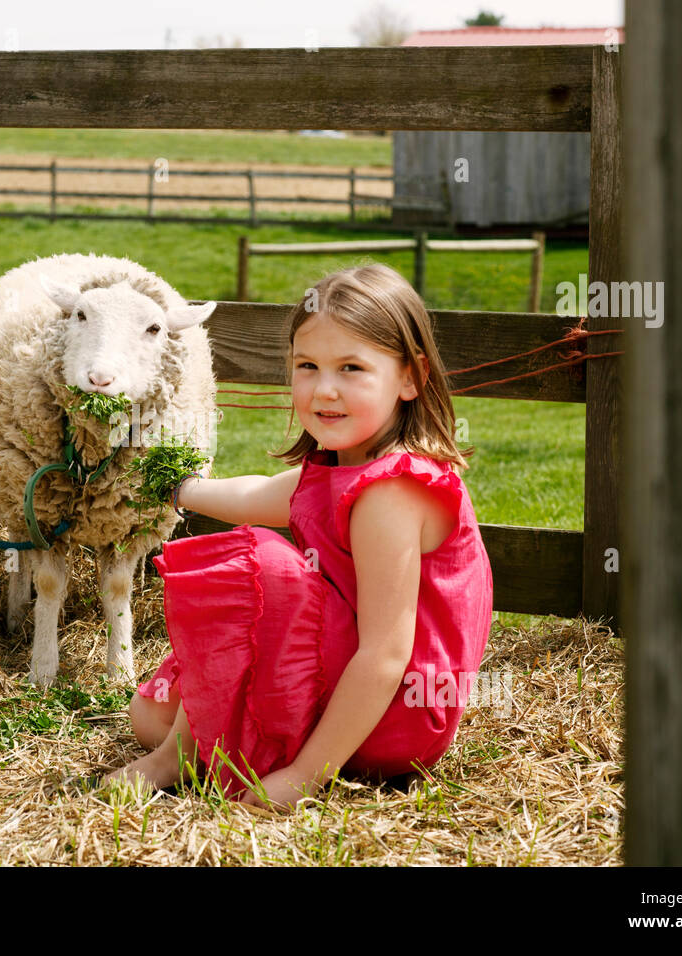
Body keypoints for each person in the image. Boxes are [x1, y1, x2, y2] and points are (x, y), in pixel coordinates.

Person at [104, 262, 494, 810]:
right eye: (307, 365)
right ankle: (186, 747)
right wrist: (174, 487)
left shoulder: (392, 492)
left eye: (352, 368)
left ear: (411, 377)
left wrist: (303, 778)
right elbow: (253, 496)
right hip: (344, 669)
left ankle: (183, 758)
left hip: (393, 714)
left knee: (262, 563)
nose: (324, 389)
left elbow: (386, 654)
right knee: (150, 713)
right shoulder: (339, 465)